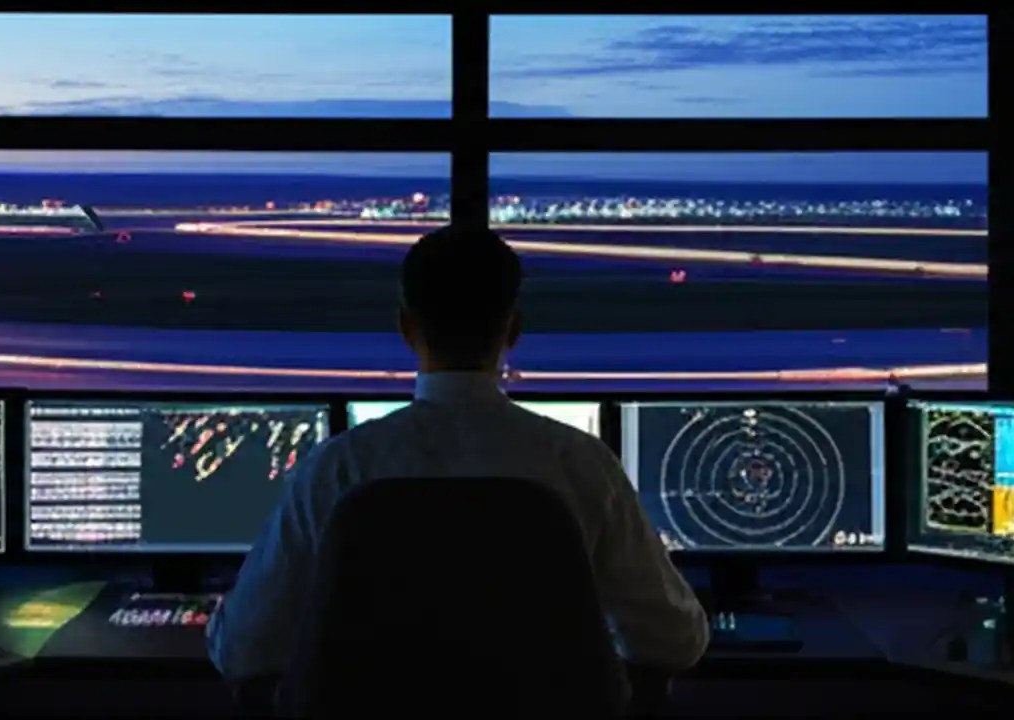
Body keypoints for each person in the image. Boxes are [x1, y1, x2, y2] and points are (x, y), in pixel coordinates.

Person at [207, 225, 709, 703]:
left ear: (406, 326)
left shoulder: (338, 469)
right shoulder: (581, 464)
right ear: (513, 329)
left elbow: (243, 650)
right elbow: (675, 641)